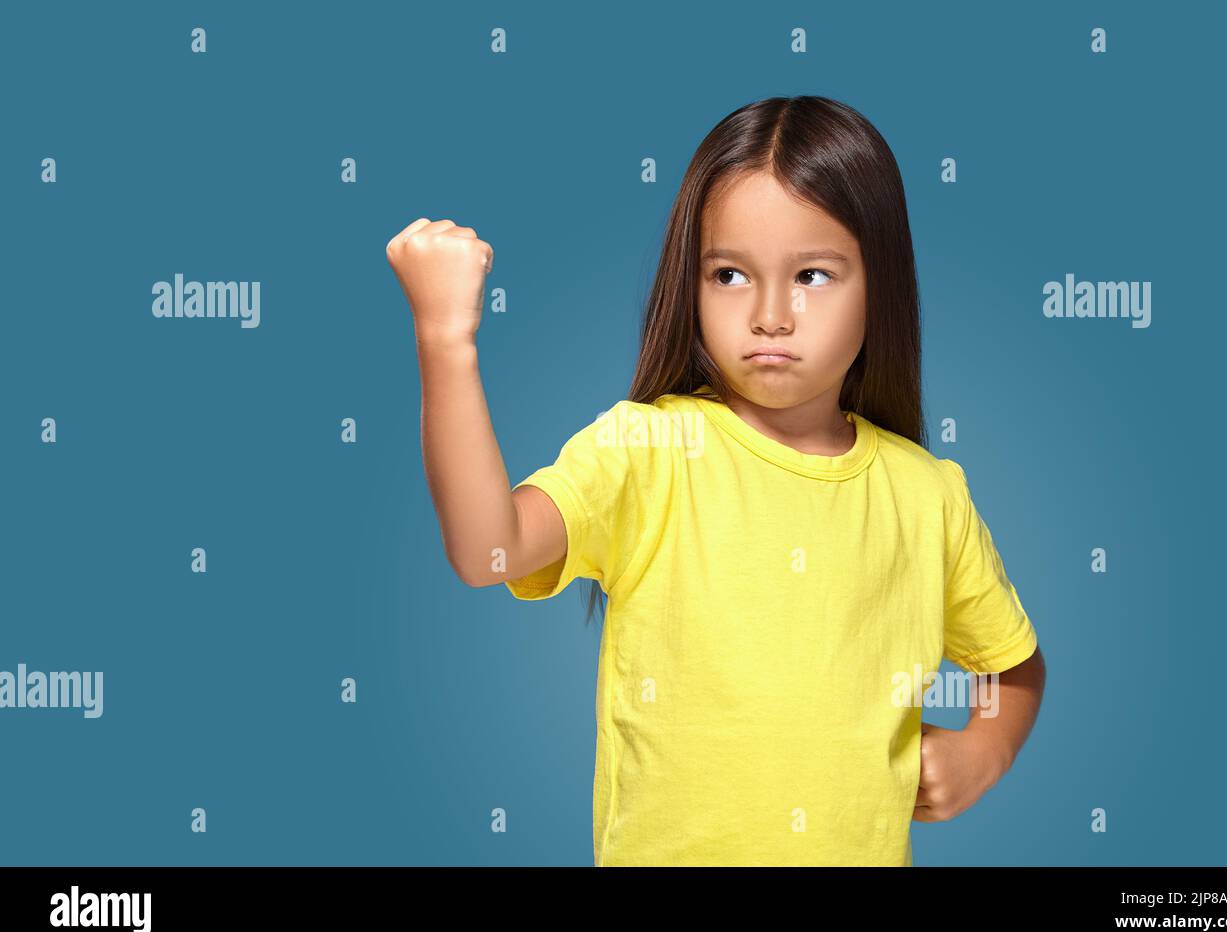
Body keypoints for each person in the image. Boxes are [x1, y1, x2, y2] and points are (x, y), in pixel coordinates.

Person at [386, 95, 1046, 867]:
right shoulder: (646, 450)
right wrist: (445, 339)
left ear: (880, 285)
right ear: (691, 285)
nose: (771, 314)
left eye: (812, 274)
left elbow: (1011, 666)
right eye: (730, 274)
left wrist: (986, 749)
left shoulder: (928, 494)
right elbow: (486, 553)